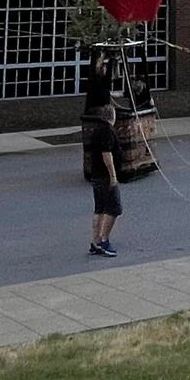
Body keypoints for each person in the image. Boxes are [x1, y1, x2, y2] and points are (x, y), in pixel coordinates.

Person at [82, 50, 123, 257]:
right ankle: (104, 241)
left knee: (99, 208)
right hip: (105, 177)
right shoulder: (106, 131)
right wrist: (113, 176)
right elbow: (107, 154)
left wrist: (106, 61)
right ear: (110, 115)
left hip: (96, 176)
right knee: (113, 209)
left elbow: (102, 74)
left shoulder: (97, 129)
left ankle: (95, 241)